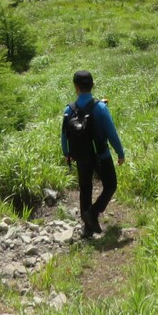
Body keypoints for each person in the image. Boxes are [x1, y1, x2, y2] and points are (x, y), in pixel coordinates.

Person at [61, 70, 125, 238]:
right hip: (101, 156)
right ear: (92, 85)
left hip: (81, 157)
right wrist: (120, 153)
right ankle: (94, 212)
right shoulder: (100, 108)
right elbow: (111, 134)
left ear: (76, 87)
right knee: (110, 185)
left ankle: (87, 227)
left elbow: (64, 135)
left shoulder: (69, 110)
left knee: (85, 188)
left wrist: (67, 153)